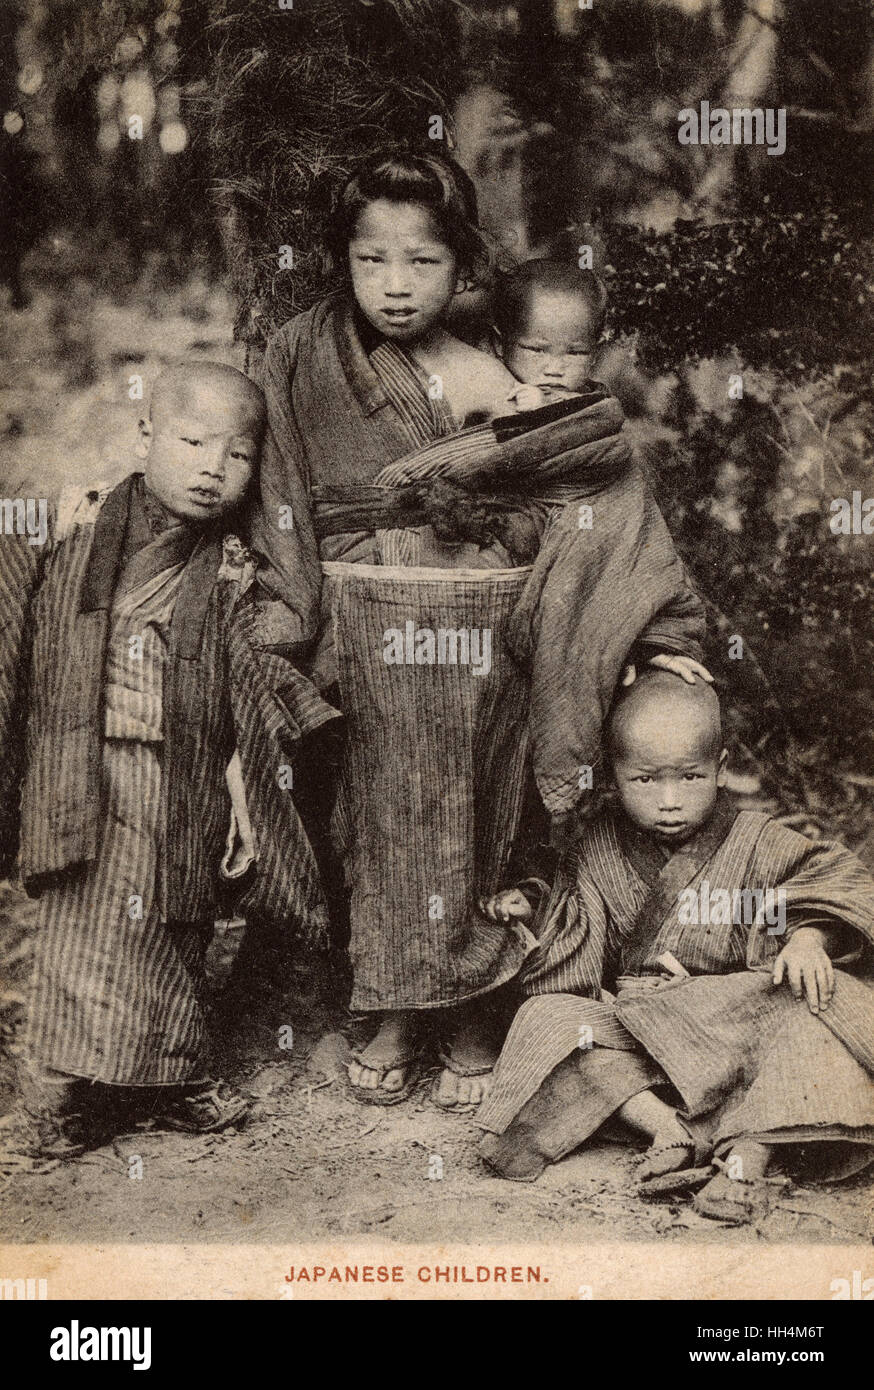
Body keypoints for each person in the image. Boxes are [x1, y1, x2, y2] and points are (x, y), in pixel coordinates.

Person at [249, 149, 708, 1111]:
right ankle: (393, 1005)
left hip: (495, 632)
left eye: (422, 260)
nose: (396, 284)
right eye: (371, 259)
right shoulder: (298, 353)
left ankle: (479, 999)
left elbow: (591, 489)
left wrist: (645, 621)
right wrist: (293, 606)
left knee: (491, 811)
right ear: (340, 259)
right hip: (366, 626)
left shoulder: (498, 367)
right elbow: (280, 495)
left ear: (462, 266)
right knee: (387, 817)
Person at [0, 362, 336, 1159]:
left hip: (185, 771)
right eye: (192, 442)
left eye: (239, 454)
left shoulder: (227, 566)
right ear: (146, 433)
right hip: (83, 766)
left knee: (176, 926)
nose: (213, 468)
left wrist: (245, 796)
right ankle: (74, 1097)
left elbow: (244, 692)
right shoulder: (79, 527)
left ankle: (169, 1079)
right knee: (85, 933)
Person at [476, 671, 874, 1223]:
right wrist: (537, 909)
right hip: (644, 1032)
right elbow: (577, 933)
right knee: (547, 1016)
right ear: (612, 776)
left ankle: (749, 1155)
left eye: (690, 777)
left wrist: (810, 936)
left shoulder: (756, 839)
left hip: (737, 1024)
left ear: (722, 765)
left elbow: (829, 878)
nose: (669, 802)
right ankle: (666, 1129)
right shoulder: (598, 847)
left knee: (812, 1012)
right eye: (645, 781)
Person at [492, 258, 608, 414]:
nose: (555, 370)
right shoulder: (484, 377)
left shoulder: (594, 399)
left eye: (575, 352)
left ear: (596, 353)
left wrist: (548, 404)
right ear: (500, 344)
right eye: (537, 350)